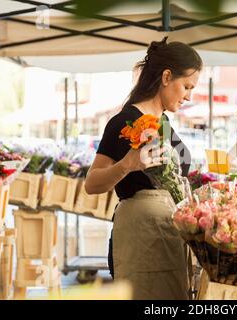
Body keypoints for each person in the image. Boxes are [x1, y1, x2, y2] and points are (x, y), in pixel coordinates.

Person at [85, 37, 201, 300]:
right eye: (186, 86)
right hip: (142, 239)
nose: (189, 96)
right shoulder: (124, 122)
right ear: (167, 76)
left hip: (168, 236)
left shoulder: (164, 123)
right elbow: (92, 184)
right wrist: (128, 164)